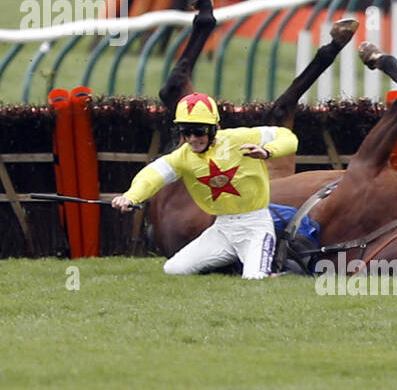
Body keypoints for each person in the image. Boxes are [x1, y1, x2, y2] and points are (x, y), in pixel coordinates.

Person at [110, 92, 299, 279]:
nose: (192, 138)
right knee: (173, 269)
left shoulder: (240, 138)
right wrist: (131, 196)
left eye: (199, 131)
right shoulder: (182, 157)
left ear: (214, 128)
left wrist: (268, 152)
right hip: (222, 229)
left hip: (255, 225)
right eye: (186, 131)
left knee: (254, 279)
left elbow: (287, 136)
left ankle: (286, 274)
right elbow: (152, 175)